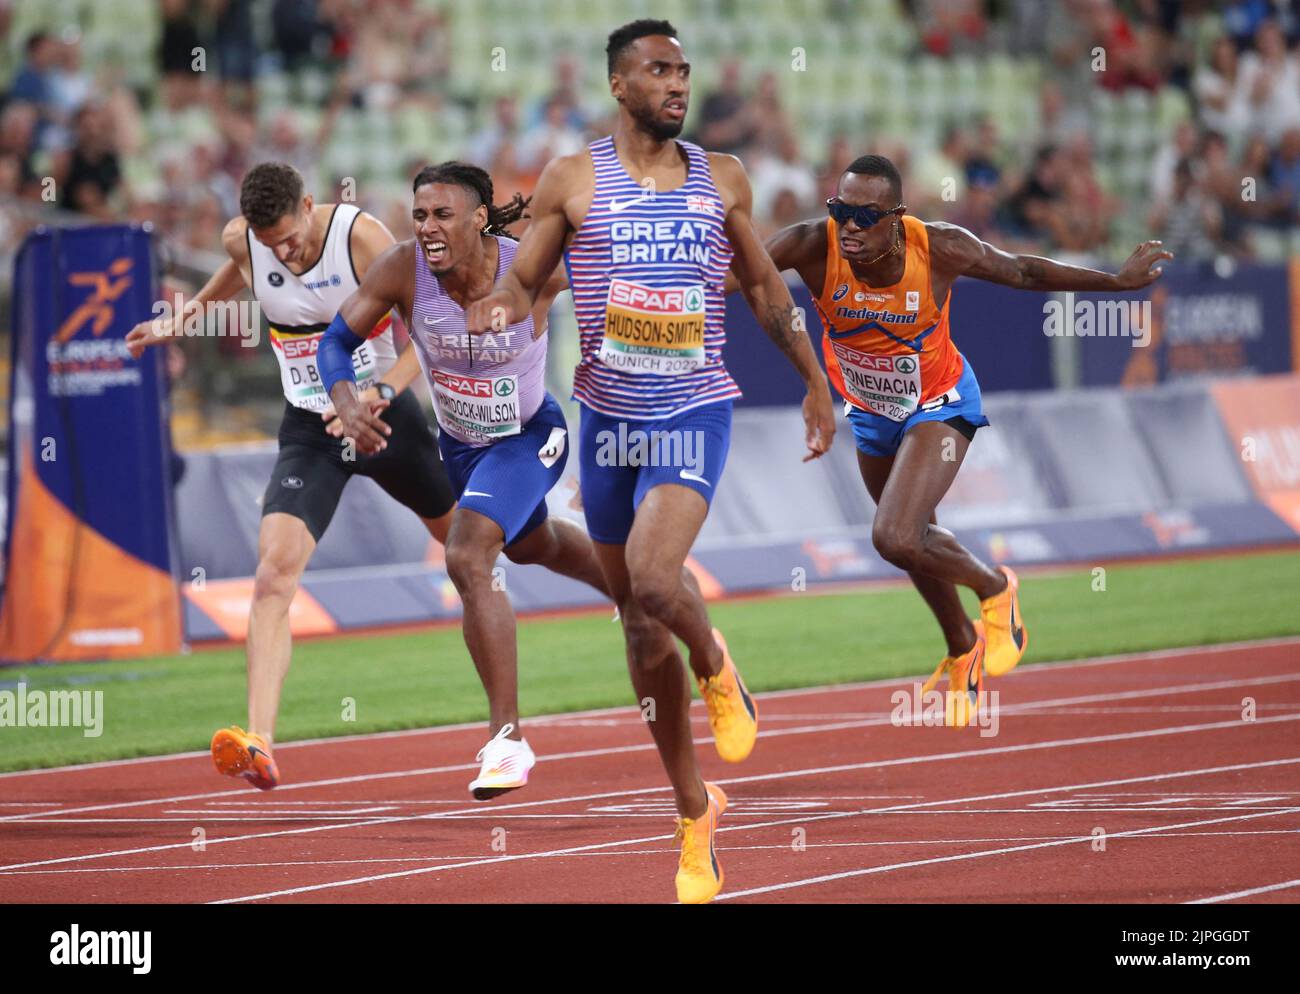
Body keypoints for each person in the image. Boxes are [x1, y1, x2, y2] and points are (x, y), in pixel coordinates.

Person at [465, 19, 836, 904]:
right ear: (619, 85)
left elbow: (761, 288)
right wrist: (501, 307)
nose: (677, 83)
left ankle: (714, 664)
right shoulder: (572, 178)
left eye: (684, 70)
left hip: (694, 408)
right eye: (658, 70)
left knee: (657, 582)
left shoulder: (723, 179)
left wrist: (815, 383)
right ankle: (693, 811)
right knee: (635, 625)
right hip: (606, 425)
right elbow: (529, 280)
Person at [754, 153, 1172, 725]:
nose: (848, 225)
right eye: (840, 209)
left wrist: (1115, 283)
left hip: (940, 403)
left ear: (897, 217)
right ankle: (961, 647)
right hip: (872, 411)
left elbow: (1023, 272)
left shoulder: (939, 248)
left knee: (893, 535)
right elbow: (738, 273)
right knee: (911, 540)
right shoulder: (812, 244)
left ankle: (997, 586)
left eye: (864, 215)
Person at [127, 162, 457, 791]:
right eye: (271, 243)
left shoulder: (358, 237)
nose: (285, 252)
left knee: (475, 547)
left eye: (292, 238)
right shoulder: (243, 240)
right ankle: (260, 741)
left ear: (311, 205)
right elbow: (241, 267)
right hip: (311, 427)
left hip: (385, 419)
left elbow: (429, 328)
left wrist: (383, 391)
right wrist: (186, 316)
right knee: (274, 572)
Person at [317, 161, 611, 799]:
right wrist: (346, 400)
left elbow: (616, 301)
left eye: (442, 214)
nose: (426, 228)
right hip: (462, 448)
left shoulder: (530, 267)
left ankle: (506, 742)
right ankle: (639, 587)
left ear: (480, 218)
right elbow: (335, 343)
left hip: (532, 436)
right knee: (534, 546)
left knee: (468, 553)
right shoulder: (401, 269)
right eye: (419, 214)